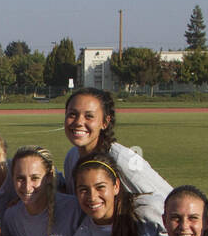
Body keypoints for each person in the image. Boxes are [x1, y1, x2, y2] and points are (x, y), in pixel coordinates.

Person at [60, 88, 172, 221]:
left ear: (105, 122)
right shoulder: (72, 157)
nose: (78, 122)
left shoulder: (122, 159)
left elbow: (169, 199)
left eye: (89, 116)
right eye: (72, 114)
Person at [3, 146, 83, 236]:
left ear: (49, 177)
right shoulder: (11, 217)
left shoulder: (73, 208)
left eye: (35, 178)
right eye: (20, 178)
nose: (27, 186)